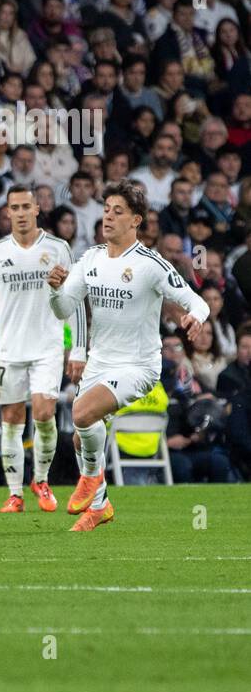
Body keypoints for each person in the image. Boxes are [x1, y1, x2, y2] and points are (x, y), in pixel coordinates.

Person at [47, 180, 210, 532]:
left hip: (138, 365)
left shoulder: (151, 264)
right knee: (80, 436)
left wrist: (196, 317)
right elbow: (63, 310)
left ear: (136, 220)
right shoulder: (90, 258)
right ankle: (101, 506)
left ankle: (90, 482)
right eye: (106, 209)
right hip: (99, 362)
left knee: (81, 412)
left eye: (117, 211)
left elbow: (196, 300)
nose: (108, 216)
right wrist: (56, 289)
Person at [0, 185, 85, 513]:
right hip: (8, 350)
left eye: (24, 207)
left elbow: (74, 301)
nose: (18, 213)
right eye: (12, 208)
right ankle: (15, 494)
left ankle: (40, 480)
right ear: (8, 212)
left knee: (44, 413)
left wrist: (78, 348)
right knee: (13, 418)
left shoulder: (58, 248)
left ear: (36, 210)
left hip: (47, 346)